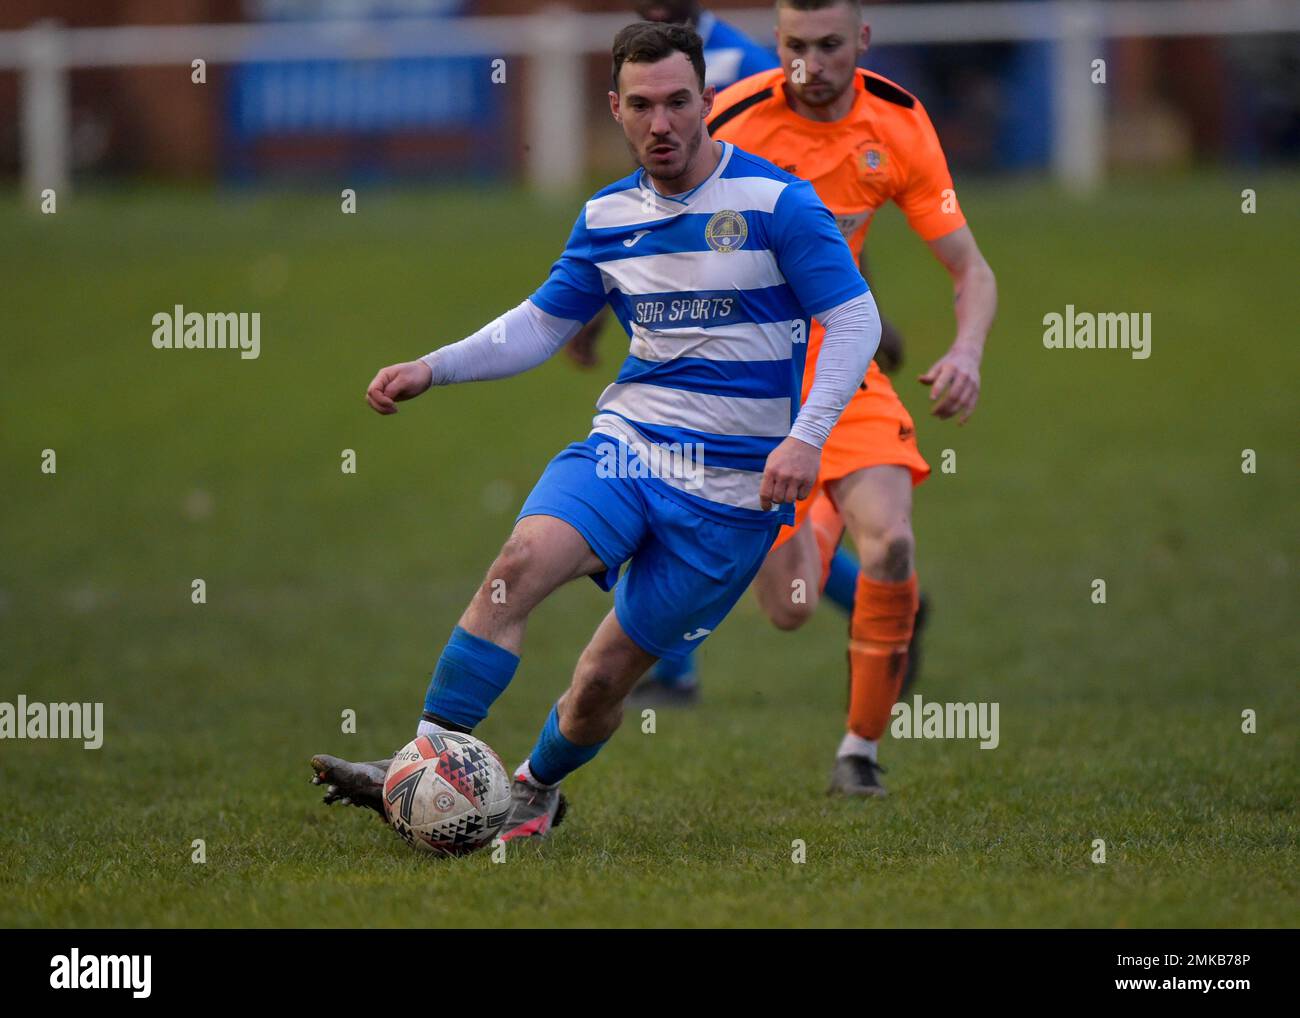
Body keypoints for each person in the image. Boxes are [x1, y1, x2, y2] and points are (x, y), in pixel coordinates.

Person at [310, 20, 882, 841]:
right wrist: (432, 367)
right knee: (518, 566)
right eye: (642, 105)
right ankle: (423, 758)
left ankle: (535, 788)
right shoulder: (607, 216)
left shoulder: (778, 203)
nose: (663, 124)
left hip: (730, 499)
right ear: (615, 109)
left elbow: (854, 320)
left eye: (679, 102)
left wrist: (807, 438)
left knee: (600, 685)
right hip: (628, 450)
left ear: (708, 102)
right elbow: (540, 325)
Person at [707, 0, 997, 796]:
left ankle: (859, 755)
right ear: (776, 44)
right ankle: (809, 517)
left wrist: (965, 349)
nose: (811, 65)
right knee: (792, 604)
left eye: (829, 45)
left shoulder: (898, 124)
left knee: (894, 546)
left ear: (861, 42)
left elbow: (971, 269)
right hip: (754, 380)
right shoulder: (729, 119)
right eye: (794, 47)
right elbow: (649, 231)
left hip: (845, 365)